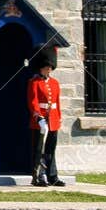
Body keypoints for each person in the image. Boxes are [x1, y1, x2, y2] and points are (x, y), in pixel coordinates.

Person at [27, 52, 63, 187]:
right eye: (46, 67)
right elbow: (32, 101)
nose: (48, 69)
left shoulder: (55, 83)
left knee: (50, 149)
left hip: (53, 118)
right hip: (40, 120)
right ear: (40, 68)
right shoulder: (34, 82)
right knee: (39, 149)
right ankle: (39, 176)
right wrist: (38, 117)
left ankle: (53, 176)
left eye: (50, 67)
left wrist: (58, 118)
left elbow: (57, 102)